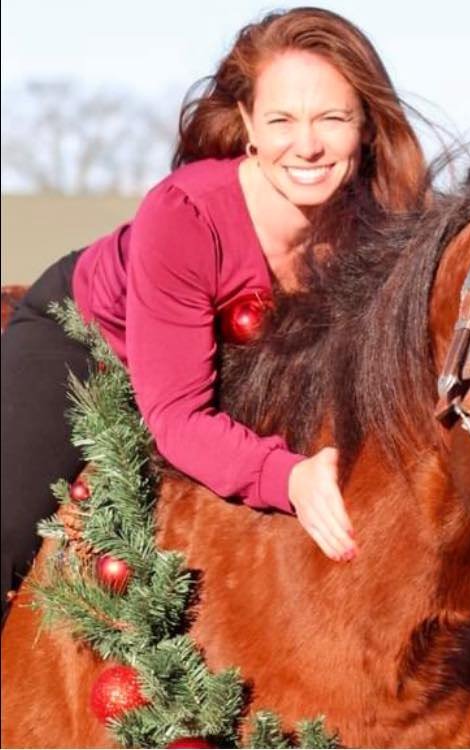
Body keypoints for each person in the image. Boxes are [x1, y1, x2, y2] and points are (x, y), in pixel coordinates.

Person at [1, 7, 428, 615]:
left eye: (332, 118)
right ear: (250, 124)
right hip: (89, 344)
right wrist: (289, 479)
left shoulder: (384, 228)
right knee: (6, 524)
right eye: (282, 118)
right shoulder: (184, 214)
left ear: (365, 126)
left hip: (238, 380)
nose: (307, 144)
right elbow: (176, 417)